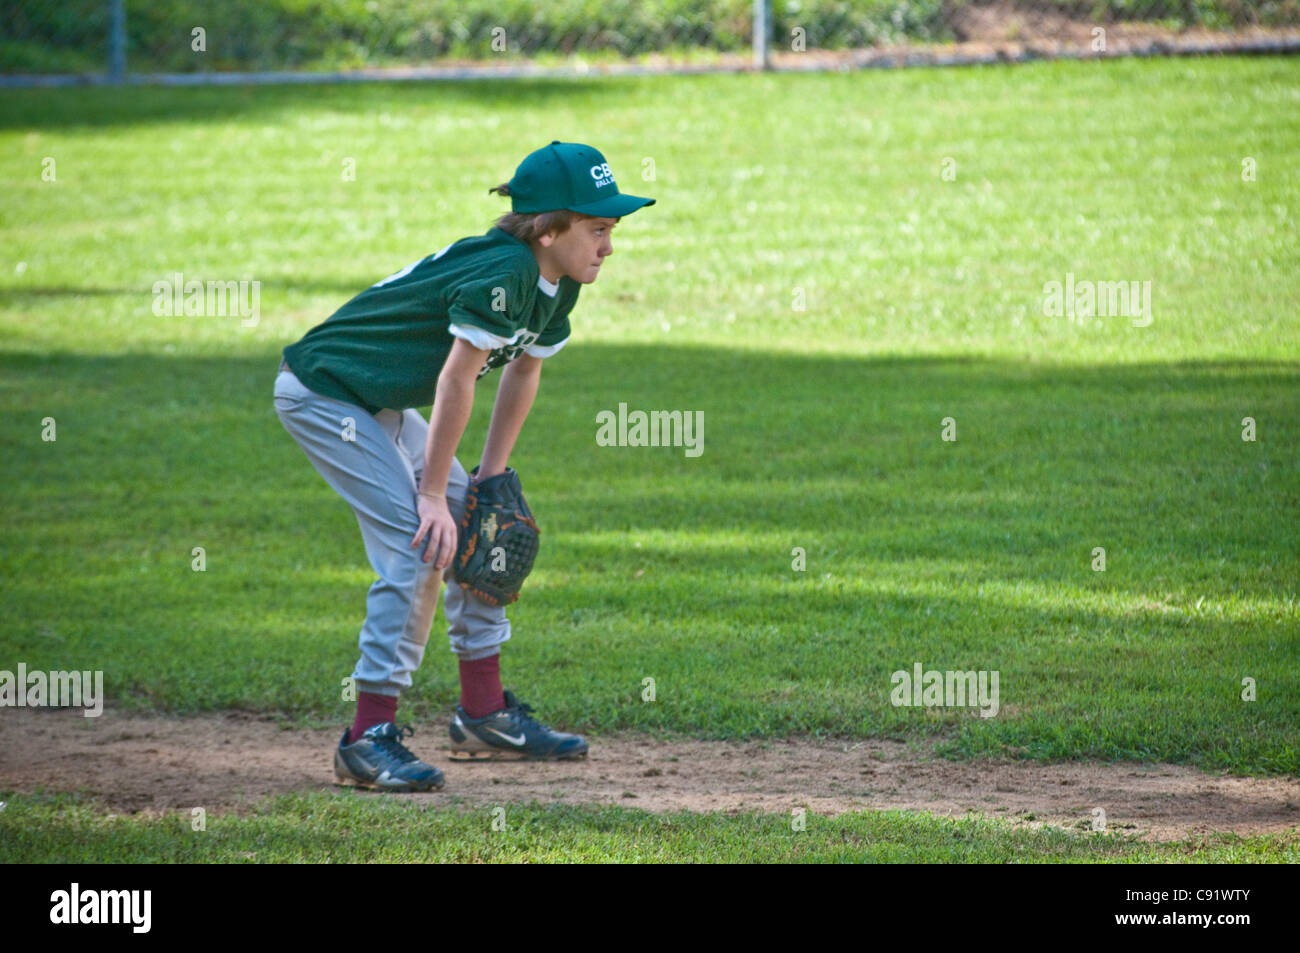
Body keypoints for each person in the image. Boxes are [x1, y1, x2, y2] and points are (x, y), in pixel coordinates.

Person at [273, 141, 655, 791]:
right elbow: (458, 378)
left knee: (479, 527)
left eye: (610, 230)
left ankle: (483, 713)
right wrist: (428, 493)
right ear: (549, 227)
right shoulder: (504, 272)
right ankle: (366, 737)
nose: (608, 246)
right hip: (325, 393)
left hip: (376, 399)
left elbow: (522, 372)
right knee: (421, 540)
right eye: (597, 228)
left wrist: (486, 480)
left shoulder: (557, 287)